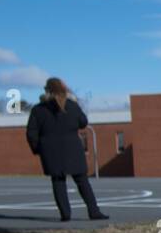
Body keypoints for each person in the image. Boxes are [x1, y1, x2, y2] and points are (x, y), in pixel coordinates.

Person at [25, 78, 109, 223]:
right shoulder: (72, 106)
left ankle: (65, 214)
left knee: (58, 182)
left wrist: (38, 149)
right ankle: (94, 211)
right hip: (73, 150)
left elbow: (31, 133)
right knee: (82, 181)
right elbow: (83, 122)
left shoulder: (38, 110)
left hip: (50, 152)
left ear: (47, 90)